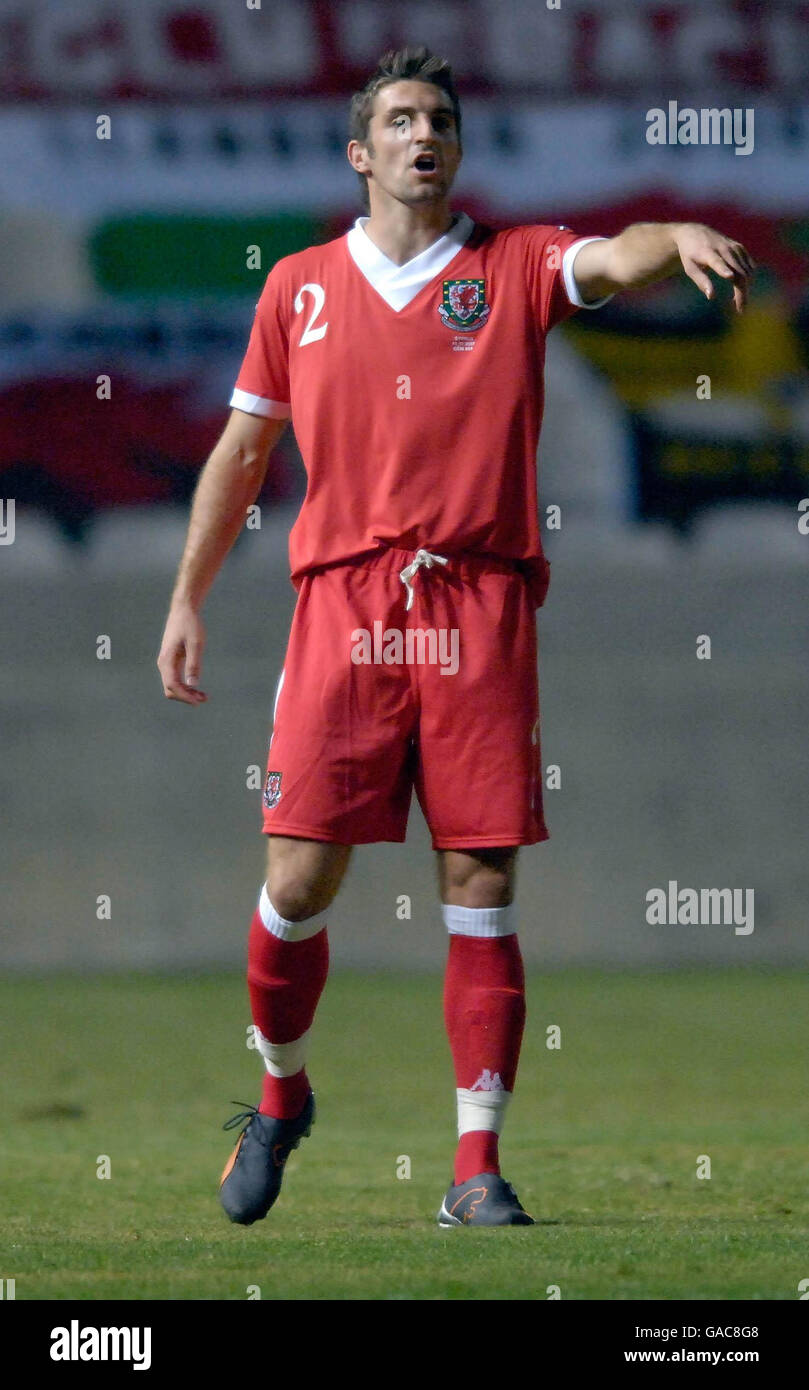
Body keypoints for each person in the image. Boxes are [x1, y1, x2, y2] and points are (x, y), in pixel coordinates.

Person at [157, 46, 753, 1227]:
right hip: (344, 603)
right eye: (397, 119)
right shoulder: (299, 288)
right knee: (296, 881)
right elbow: (242, 452)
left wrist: (673, 231)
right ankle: (280, 1097)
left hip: (477, 604)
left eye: (437, 117)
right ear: (359, 152)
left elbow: (612, 254)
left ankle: (473, 1167)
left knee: (479, 880)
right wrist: (186, 598)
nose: (421, 132)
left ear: (457, 148)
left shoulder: (514, 265)